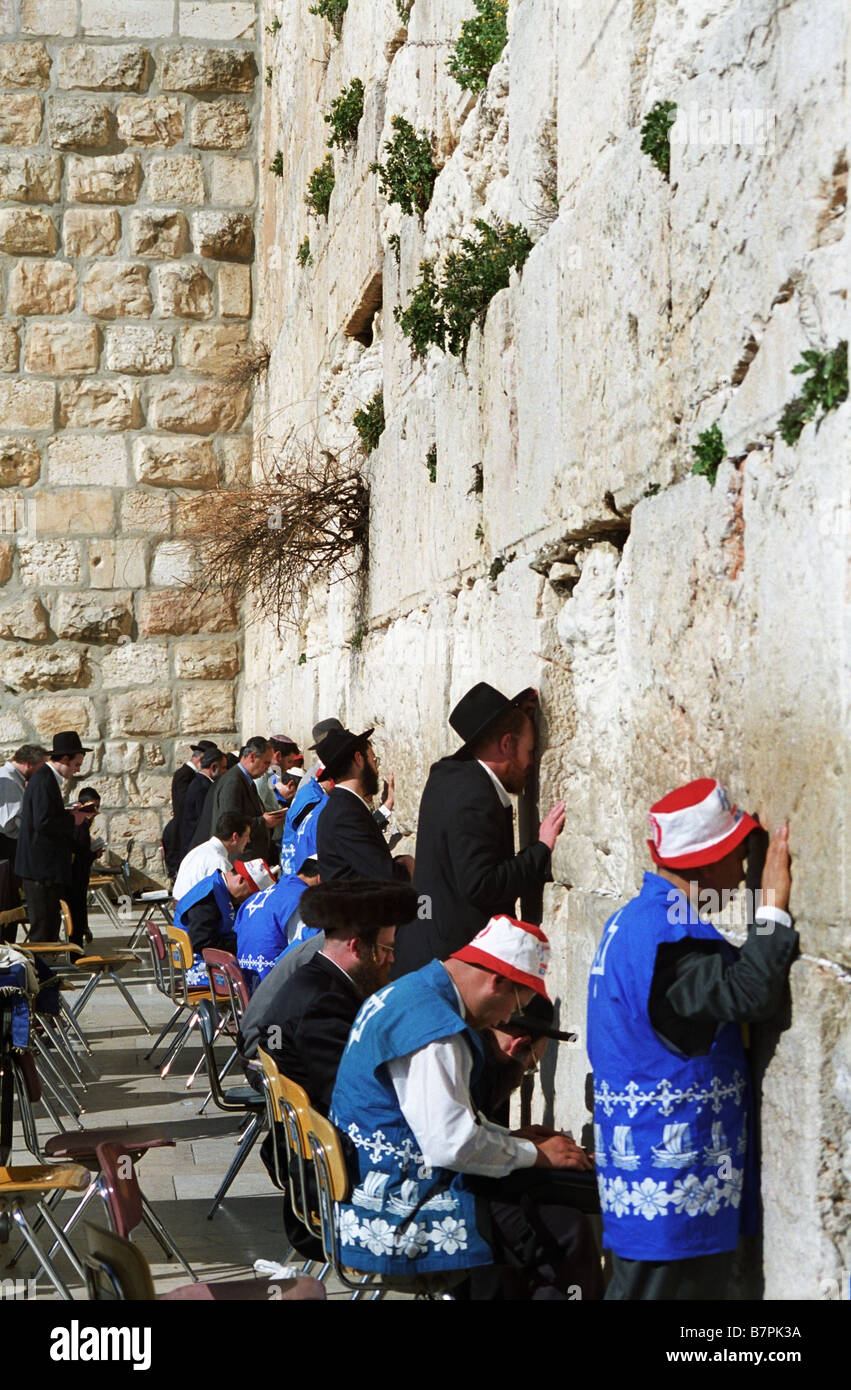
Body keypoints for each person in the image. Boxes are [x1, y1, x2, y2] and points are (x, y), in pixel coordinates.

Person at [586, 778, 799, 1301]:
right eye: (735, 855)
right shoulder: (669, 939)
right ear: (705, 866)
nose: (744, 868)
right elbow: (749, 995)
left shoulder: (635, 921)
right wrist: (772, 910)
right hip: (672, 1199)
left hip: (655, 1192)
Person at [330, 915, 601, 1297]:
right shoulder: (436, 1029)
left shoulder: (410, 991)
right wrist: (534, 1155)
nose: (507, 1018)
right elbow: (450, 1145)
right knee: (565, 1229)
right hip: (396, 1208)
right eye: (515, 1003)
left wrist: (510, 1138)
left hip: (373, 1180)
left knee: (535, 1192)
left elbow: (437, 1119)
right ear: (498, 980)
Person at [393, 682, 565, 975]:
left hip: (426, 951)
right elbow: (482, 885)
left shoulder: (448, 776)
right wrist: (541, 849)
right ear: (506, 744)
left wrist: (518, 718)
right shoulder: (474, 796)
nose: (531, 762)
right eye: (529, 750)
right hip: (448, 967)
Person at [15, 731, 90, 943]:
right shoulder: (44, 780)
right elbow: (43, 822)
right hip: (40, 870)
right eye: (76, 764)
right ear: (64, 759)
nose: (77, 770)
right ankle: (36, 973)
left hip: (44, 869)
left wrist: (69, 814)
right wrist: (72, 820)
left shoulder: (46, 779)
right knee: (43, 929)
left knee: (49, 925)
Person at [314, 727, 411, 883]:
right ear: (359, 758)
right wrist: (407, 867)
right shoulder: (345, 814)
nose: (377, 770)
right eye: (373, 760)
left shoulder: (344, 806)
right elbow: (385, 876)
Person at [173, 858, 273, 987]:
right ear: (241, 880)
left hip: (209, 960)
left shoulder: (218, 886)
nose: (247, 900)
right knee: (261, 977)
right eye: (250, 894)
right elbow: (201, 942)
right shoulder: (208, 897)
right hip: (201, 967)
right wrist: (241, 946)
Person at [188, 737, 286, 859]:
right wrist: (263, 822)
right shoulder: (233, 781)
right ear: (252, 757)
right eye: (266, 763)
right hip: (239, 857)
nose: (268, 768)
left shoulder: (244, 779)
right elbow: (230, 822)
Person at [235, 856, 321, 988]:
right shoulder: (302, 898)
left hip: (244, 985)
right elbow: (302, 951)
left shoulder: (255, 898)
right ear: (320, 879)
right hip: (272, 988)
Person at [0, 744, 47, 937]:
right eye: (41, 767)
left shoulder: (12, 779)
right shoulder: (9, 781)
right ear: (28, 763)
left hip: (9, 855)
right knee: (8, 912)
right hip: (7, 854)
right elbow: (9, 824)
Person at [172, 812, 251, 902]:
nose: (249, 840)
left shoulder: (198, 851)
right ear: (235, 837)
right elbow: (227, 900)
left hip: (181, 909)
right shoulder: (219, 862)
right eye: (247, 836)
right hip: (194, 912)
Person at [66, 787, 102, 947]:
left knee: (79, 911)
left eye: (97, 807)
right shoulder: (76, 823)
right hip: (73, 877)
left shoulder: (84, 823)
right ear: (80, 805)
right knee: (75, 913)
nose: (94, 811)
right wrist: (93, 854)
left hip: (80, 876)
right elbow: (78, 851)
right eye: (91, 807)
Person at [179, 747, 223, 854]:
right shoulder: (203, 787)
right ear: (213, 767)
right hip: (197, 844)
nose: (225, 772)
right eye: (224, 768)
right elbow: (204, 819)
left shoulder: (200, 782)